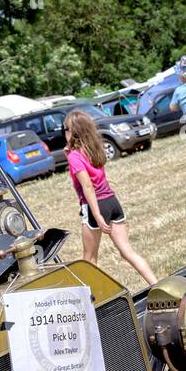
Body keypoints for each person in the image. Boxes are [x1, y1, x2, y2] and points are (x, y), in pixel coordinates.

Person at [63, 109, 157, 285]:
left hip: (95, 206)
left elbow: (87, 186)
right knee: (127, 251)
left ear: (74, 132)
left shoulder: (75, 156)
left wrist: (97, 215)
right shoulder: (94, 149)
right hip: (112, 202)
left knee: (89, 259)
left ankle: (93, 301)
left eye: (66, 129)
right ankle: (157, 284)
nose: (64, 133)